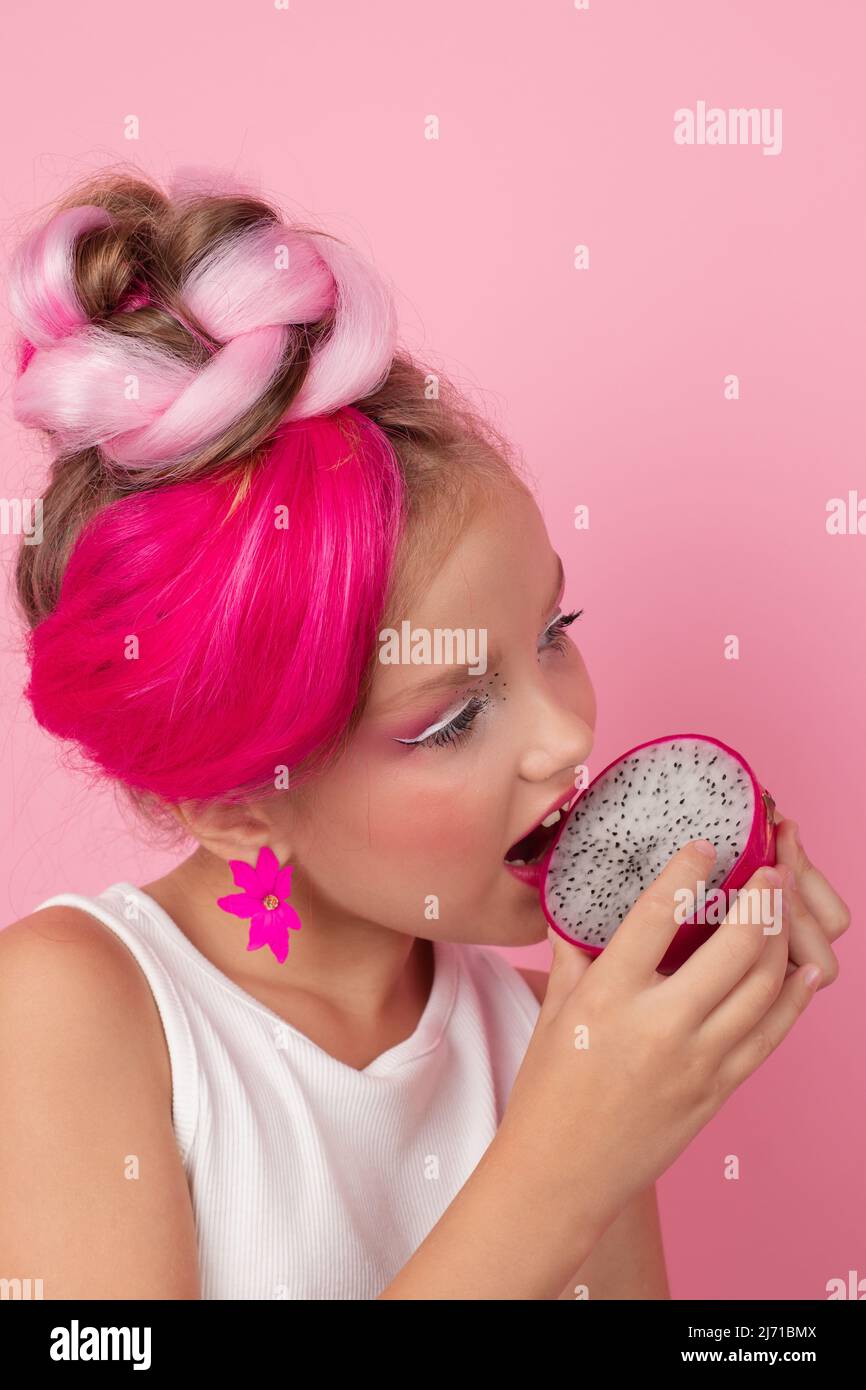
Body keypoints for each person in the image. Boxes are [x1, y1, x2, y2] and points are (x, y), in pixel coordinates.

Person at [0, 168, 849, 1300]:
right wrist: (561, 1164)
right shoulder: (68, 1012)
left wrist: (623, 1071)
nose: (564, 736)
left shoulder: (545, 1037)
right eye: (449, 717)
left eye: (553, 629)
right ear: (237, 802)